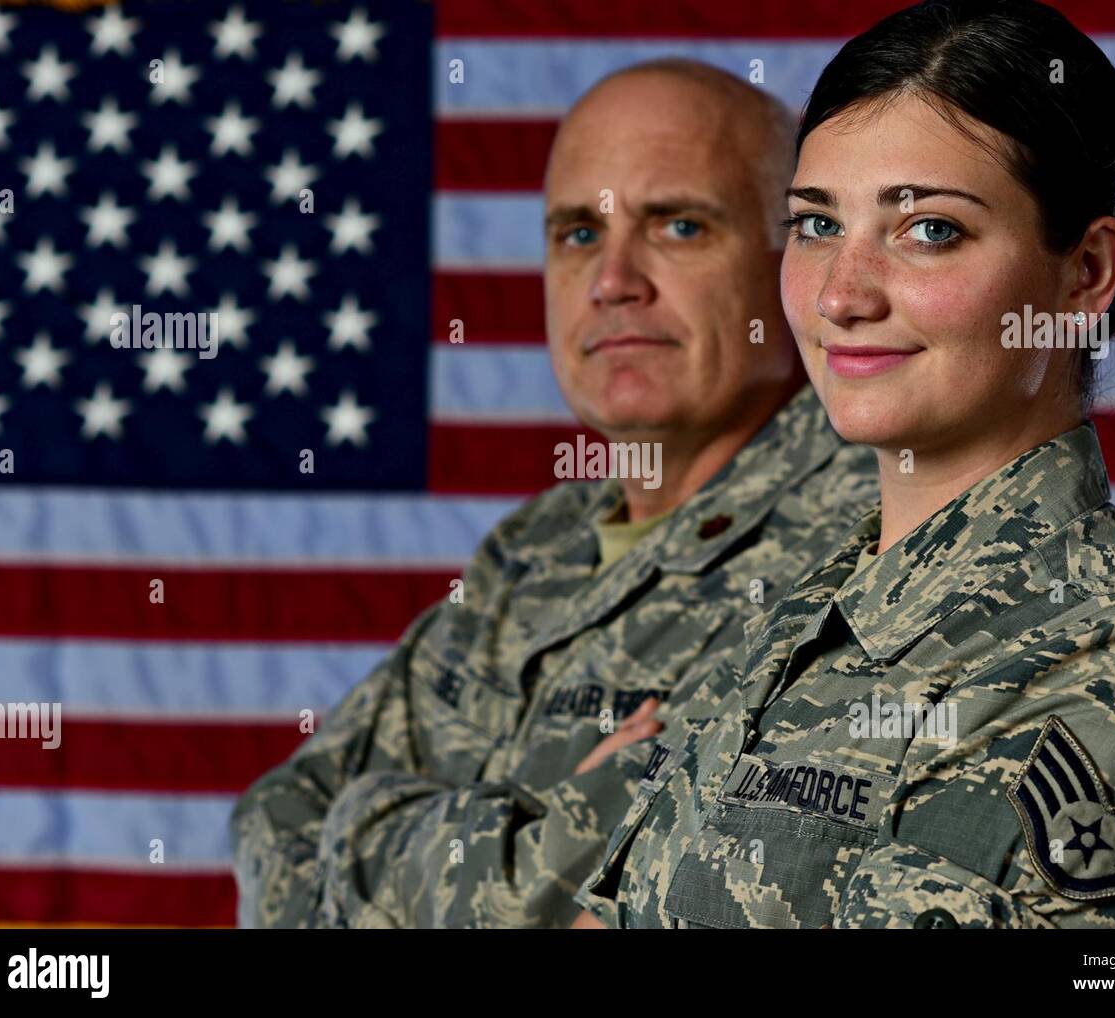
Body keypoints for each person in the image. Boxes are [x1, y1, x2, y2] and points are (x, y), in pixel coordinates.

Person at [575, 0, 1115, 929]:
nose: (842, 295)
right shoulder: (799, 620)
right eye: (817, 226)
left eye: (929, 229)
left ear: (1086, 273)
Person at [230, 59, 879, 928]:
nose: (613, 281)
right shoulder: (531, 550)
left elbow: (663, 889)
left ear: (795, 257)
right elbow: (275, 822)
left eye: (679, 225)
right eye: (577, 234)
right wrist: (529, 838)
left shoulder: (873, 540)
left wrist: (371, 833)